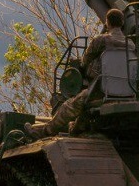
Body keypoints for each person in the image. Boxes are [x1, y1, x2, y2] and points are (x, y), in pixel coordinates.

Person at [24, 8, 128, 139]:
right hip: (126, 90)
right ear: (122, 22)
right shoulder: (131, 45)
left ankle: (44, 131)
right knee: (82, 110)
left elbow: (85, 61)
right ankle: (75, 129)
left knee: (69, 105)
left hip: (101, 91)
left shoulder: (101, 40)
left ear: (107, 22)